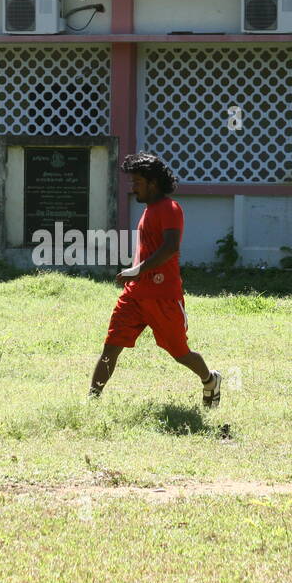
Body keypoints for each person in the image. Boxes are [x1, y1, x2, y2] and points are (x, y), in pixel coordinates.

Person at [89, 152, 220, 407]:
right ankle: (91, 402)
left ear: (153, 183)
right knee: (111, 347)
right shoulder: (149, 210)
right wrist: (135, 274)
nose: (133, 187)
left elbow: (170, 247)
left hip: (163, 296)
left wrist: (137, 270)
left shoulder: (170, 209)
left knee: (180, 353)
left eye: (137, 182)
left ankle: (210, 379)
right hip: (135, 295)